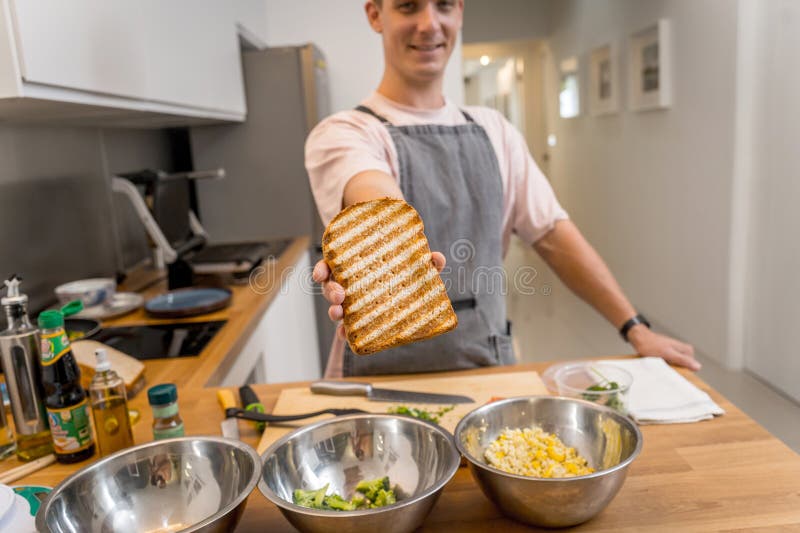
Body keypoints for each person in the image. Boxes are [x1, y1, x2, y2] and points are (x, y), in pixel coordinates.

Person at [307, 0, 698, 377]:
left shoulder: (495, 131)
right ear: (376, 15)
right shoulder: (345, 133)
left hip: (487, 371)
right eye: (408, 5)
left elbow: (552, 234)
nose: (429, 24)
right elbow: (371, 188)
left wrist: (635, 327)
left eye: (443, 4)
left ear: (459, 12)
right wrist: (385, 242)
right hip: (378, 386)